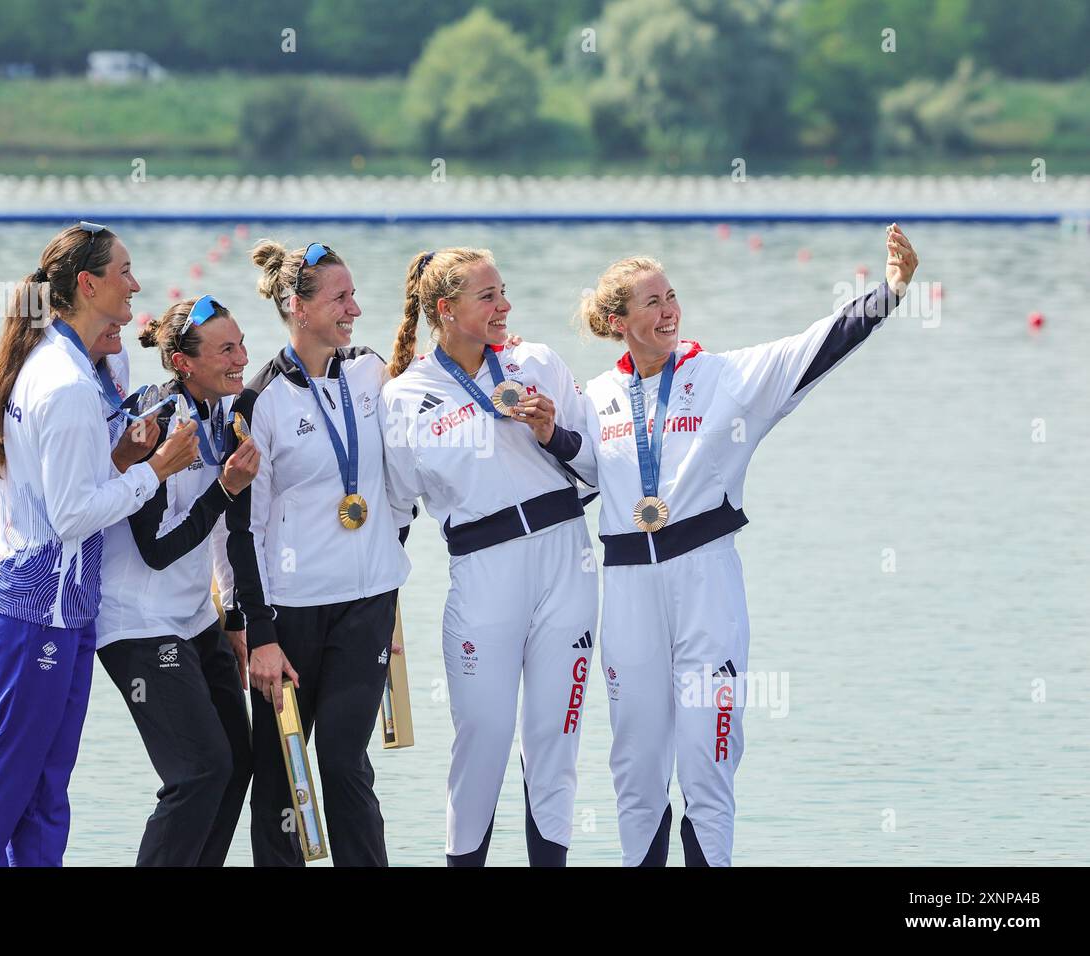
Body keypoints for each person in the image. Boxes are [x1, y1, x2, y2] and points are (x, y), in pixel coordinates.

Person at [578, 224, 919, 866]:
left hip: (705, 583)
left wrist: (892, 291)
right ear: (618, 320)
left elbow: (820, 344)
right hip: (626, 591)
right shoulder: (595, 397)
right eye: (650, 303)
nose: (668, 310)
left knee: (708, 756)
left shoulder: (726, 377)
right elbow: (570, 473)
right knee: (635, 766)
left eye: (671, 296)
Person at [0, 223, 200, 866]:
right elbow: (73, 514)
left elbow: (67, 481)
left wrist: (126, 455)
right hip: (32, 610)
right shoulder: (66, 382)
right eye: (125, 272)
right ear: (88, 285)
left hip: (64, 607)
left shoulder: (65, 360)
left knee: (46, 791)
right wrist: (154, 471)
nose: (136, 284)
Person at [380, 247, 599, 867]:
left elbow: (597, 472)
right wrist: (382, 612)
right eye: (488, 297)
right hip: (483, 571)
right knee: (484, 737)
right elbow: (397, 513)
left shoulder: (538, 362)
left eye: (503, 292)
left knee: (555, 738)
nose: (504, 306)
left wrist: (553, 433)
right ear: (445, 310)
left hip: (567, 561)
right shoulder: (404, 397)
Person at [228, 239, 409, 867]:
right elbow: (242, 529)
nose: (355, 308)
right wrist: (259, 632)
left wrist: (388, 557)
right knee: (281, 773)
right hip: (291, 613)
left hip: (368, 605)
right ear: (297, 308)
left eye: (354, 295)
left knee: (342, 759)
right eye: (340, 297)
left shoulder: (372, 372)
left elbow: (401, 480)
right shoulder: (258, 401)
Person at [96, 294, 260, 866]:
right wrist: (226, 490)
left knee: (238, 761)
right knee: (198, 772)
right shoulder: (158, 423)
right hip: (139, 623)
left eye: (240, 342)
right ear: (183, 362)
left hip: (195, 619)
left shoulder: (221, 414)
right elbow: (157, 550)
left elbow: (222, 536)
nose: (242, 357)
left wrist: (234, 617)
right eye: (226, 349)